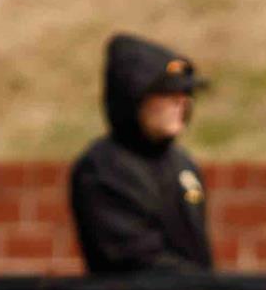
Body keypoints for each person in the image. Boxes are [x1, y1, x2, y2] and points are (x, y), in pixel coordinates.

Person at [68, 32, 213, 273]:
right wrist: (203, 289)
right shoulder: (103, 169)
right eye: (167, 95)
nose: (182, 103)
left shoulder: (182, 164)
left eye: (185, 94)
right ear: (134, 99)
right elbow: (135, 261)